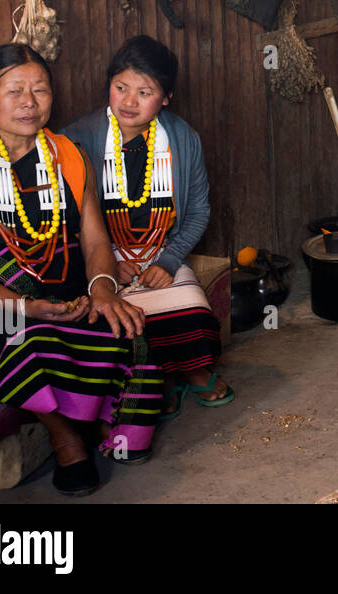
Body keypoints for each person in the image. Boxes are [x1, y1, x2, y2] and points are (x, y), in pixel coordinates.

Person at [0, 44, 156, 497]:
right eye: (14, 90)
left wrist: (105, 290)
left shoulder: (68, 155)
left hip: (64, 292)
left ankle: (99, 416)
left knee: (127, 327)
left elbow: (94, 240)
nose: (29, 102)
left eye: (40, 90)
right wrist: (25, 308)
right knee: (31, 343)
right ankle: (67, 438)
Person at [64, 36, 232, 417]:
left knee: (194, 319)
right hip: (101, 261)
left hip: (161, 252)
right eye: (120, 88)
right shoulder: (77, 139)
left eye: (145, 92)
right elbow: (65, 219)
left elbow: (199, 210)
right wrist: (102, 267)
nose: (128, 101)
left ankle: (180, 374)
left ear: (166, 98)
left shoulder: (183, 139)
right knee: (118, 324)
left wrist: (170, 261)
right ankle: (168, 376)